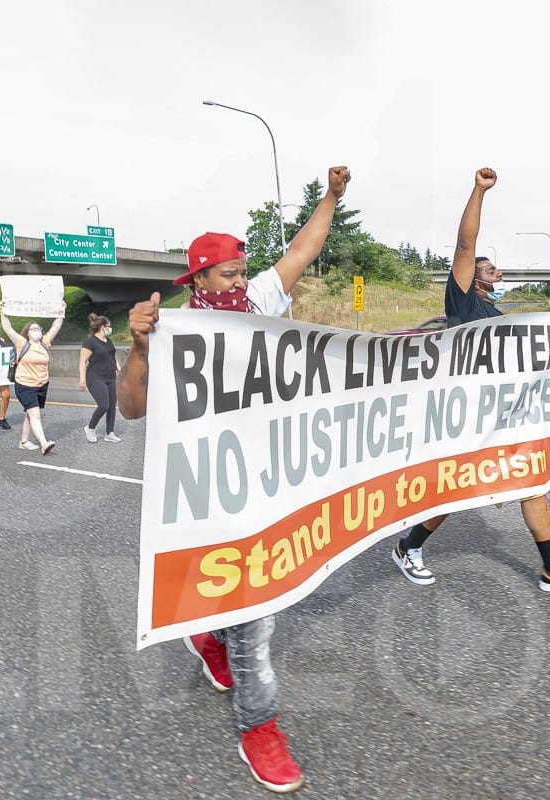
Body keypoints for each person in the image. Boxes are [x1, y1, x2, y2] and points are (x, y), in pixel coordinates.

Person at [119, 166, 352, 795]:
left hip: (267, 484)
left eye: (244, 271)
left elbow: (302, 249)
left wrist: (330, 197)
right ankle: (260, 728)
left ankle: (209, 634)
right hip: (204, 491)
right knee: (256, 618)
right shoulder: (168, 329)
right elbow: (132, 408)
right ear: (198, 279)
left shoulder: (260, 306)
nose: (241, 281)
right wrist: (139, 350)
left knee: (254, 600)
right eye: (228, 273)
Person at [390, 167, 550, 597]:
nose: (492, 269)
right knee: (453, 493)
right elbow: (466, 243)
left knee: (532, 482)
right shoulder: (462, 300)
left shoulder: (496, 315)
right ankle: (408, 547)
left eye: (492, 267)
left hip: (503, 417)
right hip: (465, 415)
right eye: (485, 267)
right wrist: (478, 191)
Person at [0, 302, 63, 454]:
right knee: (35, 414)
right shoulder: (22, 343)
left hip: (41, 385)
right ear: (27, 333)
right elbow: (8, 328)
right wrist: (3, 311)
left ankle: (24, 441)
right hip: (25, 385)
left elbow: (55, 327)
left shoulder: (44, 343)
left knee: (30, 413)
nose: (36, 331)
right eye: (32, 329)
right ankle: (43, 443)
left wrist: (61, 310)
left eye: (38, 328)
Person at [78, 313, 120, 443]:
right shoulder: (90, 341)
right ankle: (90, 428)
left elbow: (113, 357)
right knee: (103, 405)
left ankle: (109, 432)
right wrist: (82, 379)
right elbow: (82, 361)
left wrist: (121, 371)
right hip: (95, 377)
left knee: (112, 405)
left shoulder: (109, 341)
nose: (110, 329)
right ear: (103, 327)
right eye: (109, 326)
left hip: (111, 376)